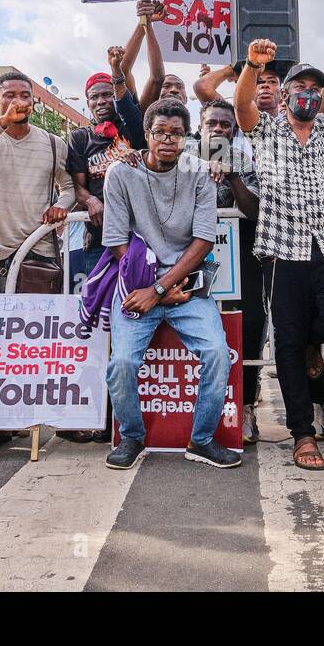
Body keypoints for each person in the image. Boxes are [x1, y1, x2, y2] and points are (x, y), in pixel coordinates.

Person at [234, 25, 324, 472]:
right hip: (282, 249)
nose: (310, 94)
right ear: (286, 92)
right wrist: (255, 66)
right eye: (301, 87)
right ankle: (302, 434)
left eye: (317, 89)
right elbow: (240, 105)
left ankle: (319, 342)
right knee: (289, 344)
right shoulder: (266, 130)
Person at [100, 99, 240, 470]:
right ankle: (131, 436)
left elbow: (203, 241)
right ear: (146, 135)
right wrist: (149, 288)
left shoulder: (201, 173)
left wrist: (163, 289)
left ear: (186, 137)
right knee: (122, 362)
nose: (168, 140)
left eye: (177, 134)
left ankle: (202, 439)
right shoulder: (121, 173)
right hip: (136, 282)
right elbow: (117, 241)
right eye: (160, 132)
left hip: (186, 285)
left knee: (216, 353)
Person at [188, 99, 265, 443]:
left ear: (234, 132)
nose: (218, 129)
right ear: (200, 128)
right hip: (190, 259)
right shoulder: (182, 161)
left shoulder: (248, 161)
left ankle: (246, 404)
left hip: (241, 259)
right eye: (212, 124)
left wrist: (232, 175)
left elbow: (252, 211)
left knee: (247, 327)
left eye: (226, 125)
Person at [0, 71, 73, 290]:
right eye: (9, 95)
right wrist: (3, 121)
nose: (18, 101)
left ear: (33, 101)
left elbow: (68, 187)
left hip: (41, 251)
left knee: (39, 322)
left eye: (25, 95)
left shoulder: (53, 142)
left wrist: (60, 206)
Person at [67, 46, 148, 281]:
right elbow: (78, 187)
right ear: (88, 102)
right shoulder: (80, 137)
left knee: (136, 298)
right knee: (100, 305)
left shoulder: (131, 126)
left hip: (138, 234)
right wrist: (91, 200)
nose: (101, 101)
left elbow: (127, 99)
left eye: (107, 94)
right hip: (98, 238)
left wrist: (116, 69)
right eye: (94, 97)